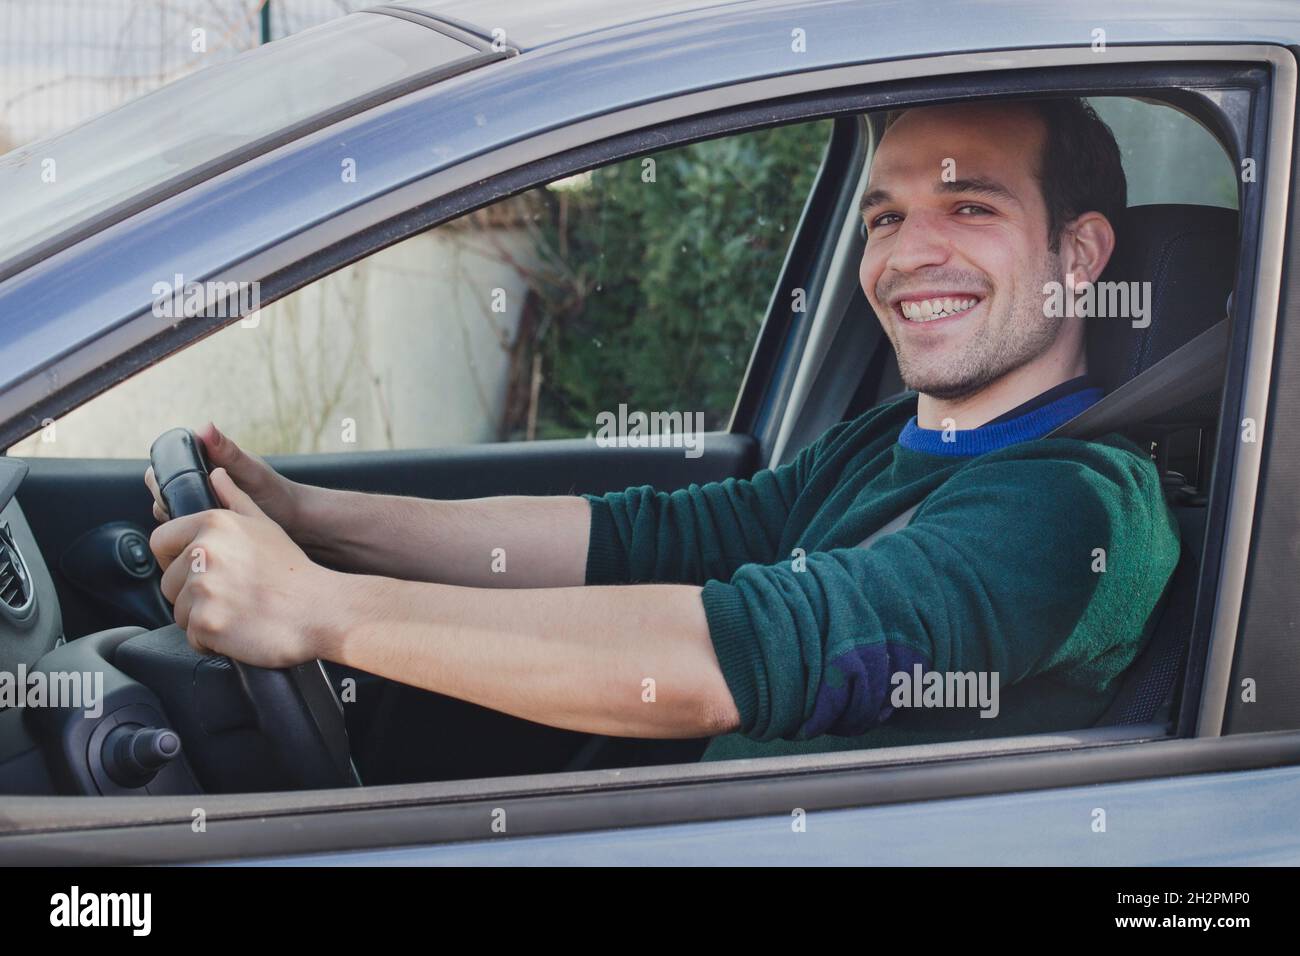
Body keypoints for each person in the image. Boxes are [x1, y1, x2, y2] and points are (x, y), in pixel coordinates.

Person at [145, 97, 1181, 761]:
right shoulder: (884, 443)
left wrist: (322, 610)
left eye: (968, 209)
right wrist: (310, 514)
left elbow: (728, 656)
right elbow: (633, 539)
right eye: (884, 217)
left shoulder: (1079, 506)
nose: (906, 254)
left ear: (1078, 253)